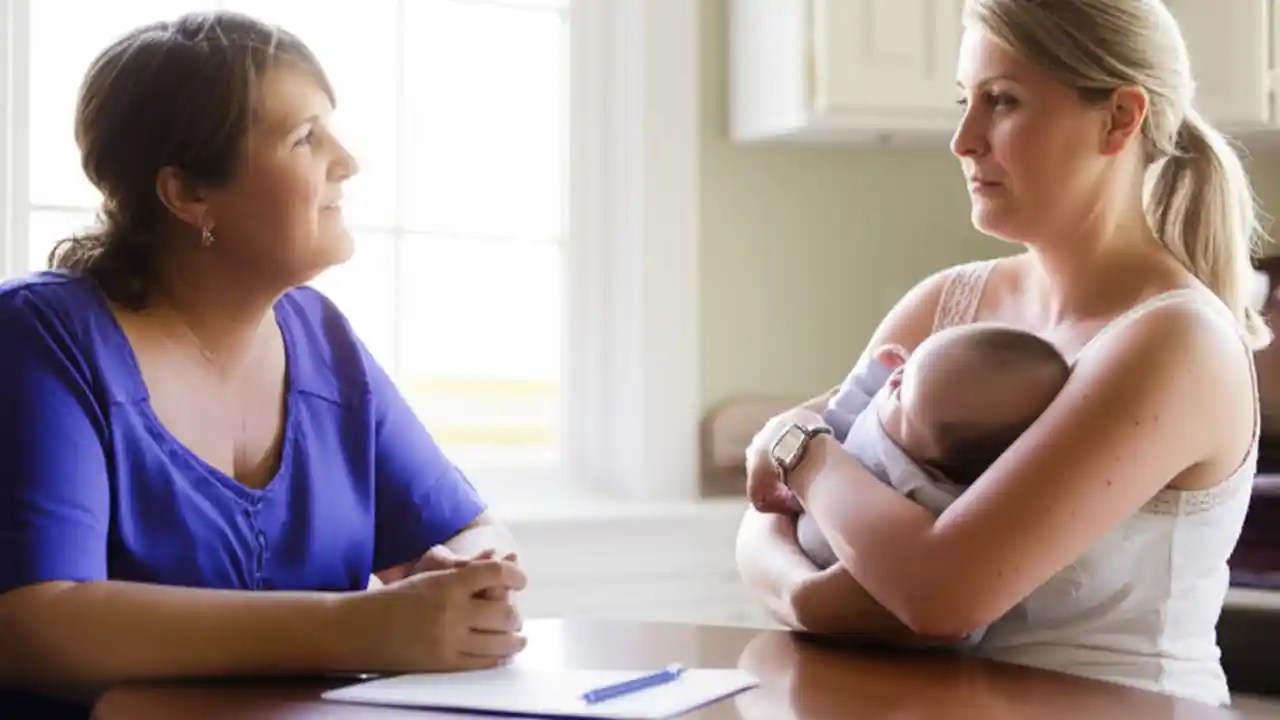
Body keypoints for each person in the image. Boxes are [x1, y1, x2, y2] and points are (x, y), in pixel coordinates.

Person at [735, 0, 1265, 708]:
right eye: (965, 100)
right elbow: (761, 523)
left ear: (1119, 118)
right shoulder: (945, 305)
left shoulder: (1177, 342)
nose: (962, 139)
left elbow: (939, 594)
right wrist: (811, 600)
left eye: (1002, 101)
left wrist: (800, 448)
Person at [0, 11, 525, 718]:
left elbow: (467, 529)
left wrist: (469, 573)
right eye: (305, 137)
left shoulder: (323, 339)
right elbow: (37, 625)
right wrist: (360, 627)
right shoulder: (40, 335)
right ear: (188, 193)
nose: (347, 160)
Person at [755, 324, 1069, 571]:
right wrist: (878, 370)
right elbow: (844, 408)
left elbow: (915, 560)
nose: (893, 380)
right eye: (906, 367)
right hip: (795, 531)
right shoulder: (892, 411)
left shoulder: (921, 495)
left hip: (847, 573)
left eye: (901, 389)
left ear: (932, 456)